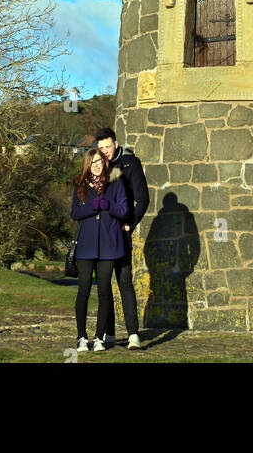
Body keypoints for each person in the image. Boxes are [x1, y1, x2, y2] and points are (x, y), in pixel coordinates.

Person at [70, 147, 128, 354]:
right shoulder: (80, 184)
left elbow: (123, 210)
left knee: (104, 291)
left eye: (100, 162)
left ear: (105, 163)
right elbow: (74, 213)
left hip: (108, 245)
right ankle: (81, 337)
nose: (96, 165)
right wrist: (92, 206)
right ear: (87, 164)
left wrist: (108, 205)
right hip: (85, 246)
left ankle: (99, 337)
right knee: (83, 290)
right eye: (93, 162)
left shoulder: (116, 183)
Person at [95, 127, 149, 350]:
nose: (105, 151)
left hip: (121, 230)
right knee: (104, 284)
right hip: (101, 232)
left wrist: (130, 224)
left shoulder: (129, 163)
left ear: (116, 144)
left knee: (125, 281)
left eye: (108, 146)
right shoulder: (97, 164)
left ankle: (133, 334)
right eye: (101, 148)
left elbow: (143, 199)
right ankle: (108, 333)